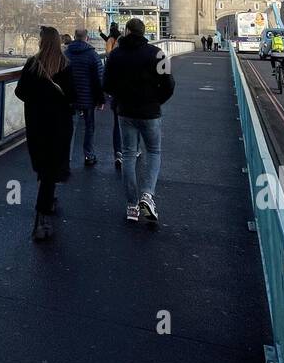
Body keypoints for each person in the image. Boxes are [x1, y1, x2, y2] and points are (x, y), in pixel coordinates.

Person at [103, 17, 175, 225]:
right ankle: (147, 195)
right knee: (153, 152)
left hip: (125, 112)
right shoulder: (157, 54)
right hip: (150, 112)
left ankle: (132, 206)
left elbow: (106, 84)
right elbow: (169, 83)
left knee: (128, 155)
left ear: (126, 31)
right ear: (144, 33)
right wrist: (157, 101)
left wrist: (120, 98)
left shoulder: (115, 55)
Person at [16, 26, 75, 242]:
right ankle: (42, 216)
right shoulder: (65, 65)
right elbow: (72, 96)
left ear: (42, 42)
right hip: (59, 124)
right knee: (51, 168)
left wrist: (36, 103)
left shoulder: (32, 63)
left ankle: (45, 202)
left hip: (36, 123)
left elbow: (19, 92)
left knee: (43, 166)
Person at [63, 27, 105, 167]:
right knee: (89, 127)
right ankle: (89, 155)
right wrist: (101, 99)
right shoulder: (92, 54)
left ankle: (66, 158)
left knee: (70, 128)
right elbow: (99, 79)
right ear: (87, 37)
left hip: (70, 97)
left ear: (74, 36)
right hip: (88, 97)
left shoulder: (66, 53)